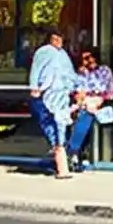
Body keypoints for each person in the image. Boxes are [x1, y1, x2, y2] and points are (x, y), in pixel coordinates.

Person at [28, 30, 77, 179]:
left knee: (60, 125)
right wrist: (35, 86)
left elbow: (69, 72)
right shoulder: (43, 52)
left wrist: (73, 87)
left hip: (61, 94)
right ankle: (60, 161)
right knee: (52, 126)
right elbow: (36, 70)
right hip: (47, 93)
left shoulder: (63, 55)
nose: (59, 41)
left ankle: (62, 161)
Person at [67, 48, 113, 170]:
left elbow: (109, 92)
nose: (88, 61)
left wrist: (96, 100)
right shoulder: (79, 74)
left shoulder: (104, 71)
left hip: (101, 103)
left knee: (86, 114)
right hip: (83, 104)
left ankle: (73, 151)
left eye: (90, 57)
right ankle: (75, 153)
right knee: (82, 113)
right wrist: (83, 99)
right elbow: (75, 91)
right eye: (85, 59)